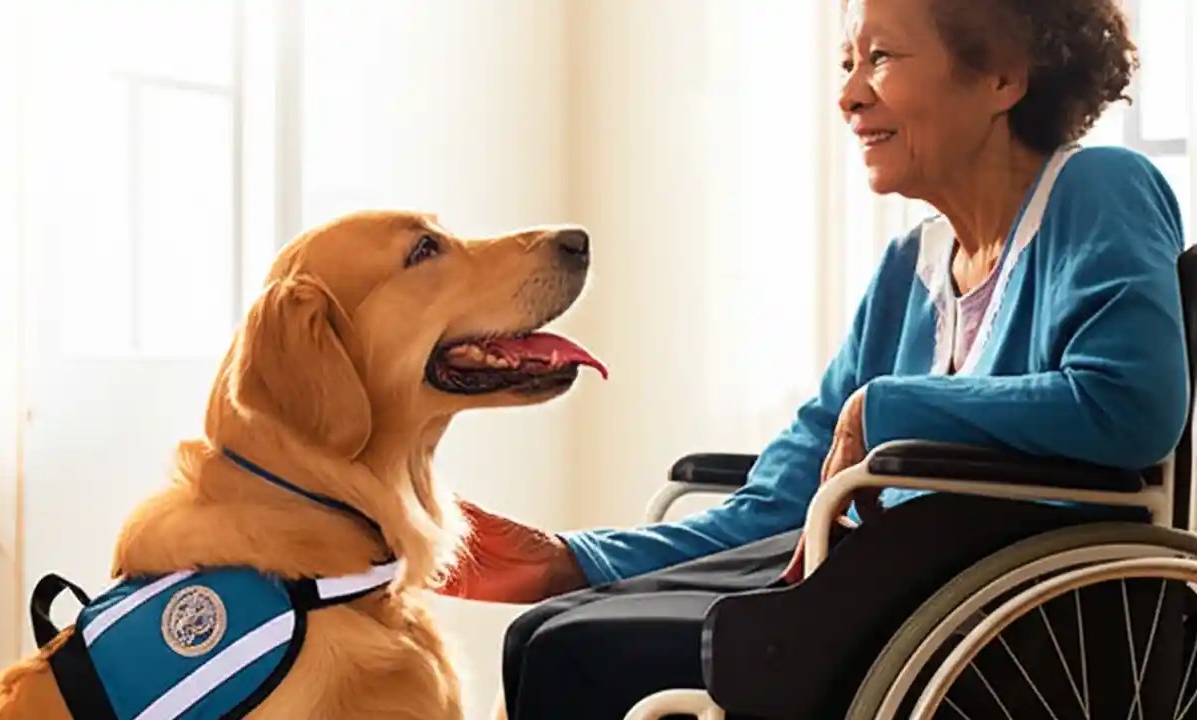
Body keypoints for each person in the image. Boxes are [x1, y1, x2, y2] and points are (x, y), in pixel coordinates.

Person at [439, 0, 1191, 717]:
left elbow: (1130, 409)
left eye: (882, 57)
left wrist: (890, 405)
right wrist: (572, 559)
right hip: (881, 587)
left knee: (577, 653)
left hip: (1017, 617)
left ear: (1001, 75)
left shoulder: (1099, 189)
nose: (850, 96)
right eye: (846, 62)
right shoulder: (911, 266)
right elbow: (782, 500)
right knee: (544, 627)